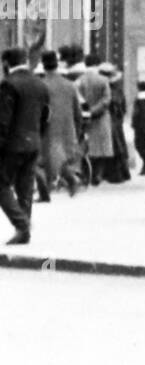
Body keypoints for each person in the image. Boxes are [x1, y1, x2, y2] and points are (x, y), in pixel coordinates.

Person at [0, 48, 49, 245]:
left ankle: (22, 225)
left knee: (1, 184)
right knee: (25, 186)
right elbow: (46, 116)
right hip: (34, 142)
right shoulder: (40, 84)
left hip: (13, 144)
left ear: (6, 64)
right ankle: (23, 230)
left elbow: (3, 121)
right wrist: (38, 136)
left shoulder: (8, 85)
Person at [42, 51, 83, 195]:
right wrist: (78, 128)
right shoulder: (69, 85)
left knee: (47, 158)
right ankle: (68, 180)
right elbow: (77, 111)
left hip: (48, 127)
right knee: (61, 158)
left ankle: (49, 187)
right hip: (67, 127)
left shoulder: (42, 85)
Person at [78, 56, 114, 185]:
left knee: (86, 148)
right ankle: (98, 174)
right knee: (102, 149)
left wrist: (86, 112)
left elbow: (77, 100)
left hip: (84, 119)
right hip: (101, 117)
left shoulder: (79, 81)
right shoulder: (103, 80)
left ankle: (86, 174)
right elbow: (106, 100)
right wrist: (94, 110)